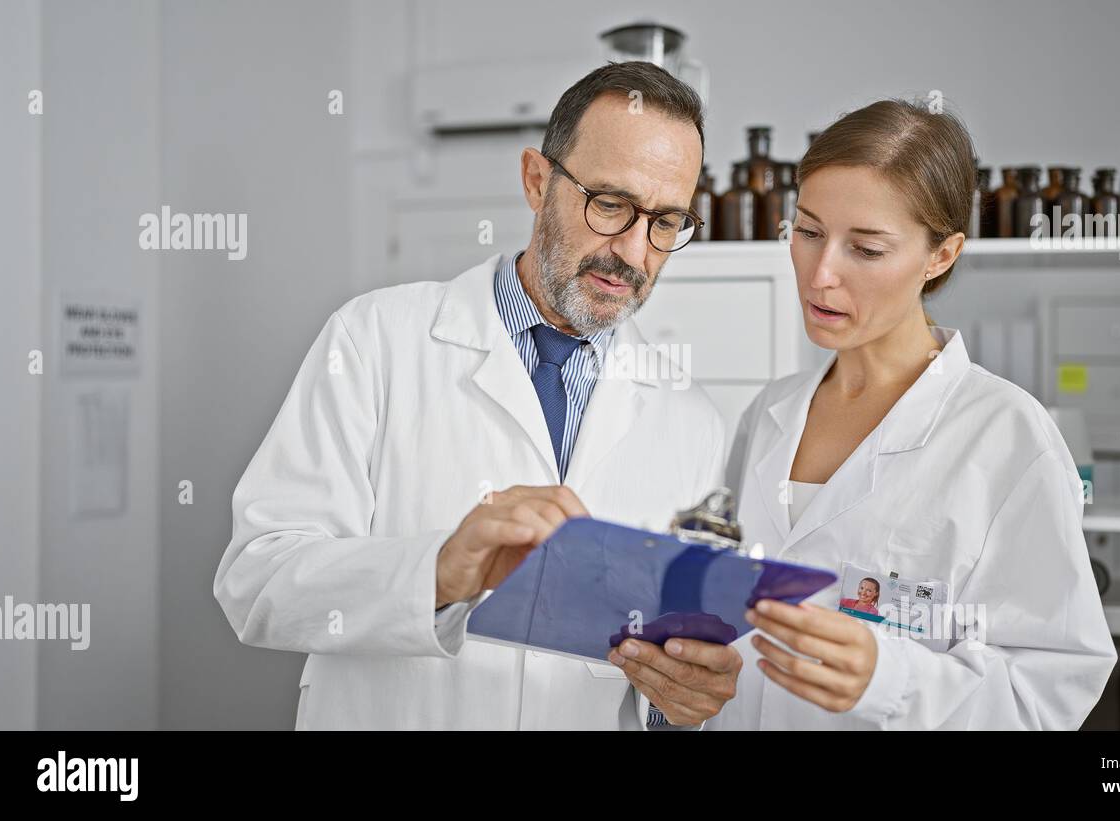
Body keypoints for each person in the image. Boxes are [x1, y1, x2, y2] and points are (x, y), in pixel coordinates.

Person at [214, 62, 742, 730]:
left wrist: (681, 701)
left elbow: (661, 667)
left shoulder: (688, 419)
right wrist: (437, 570)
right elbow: (255, 581)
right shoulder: (376, 340)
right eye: (611, 205)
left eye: (665, 222)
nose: (633, 252)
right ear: (537, 180)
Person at [707, 100, 1116, 731]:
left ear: (941, 255)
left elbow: (1050, 692)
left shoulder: (1008, 436)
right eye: (808, 232)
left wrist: (891, 681)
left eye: (866, 249)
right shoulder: (769, 413)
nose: (821, 275)